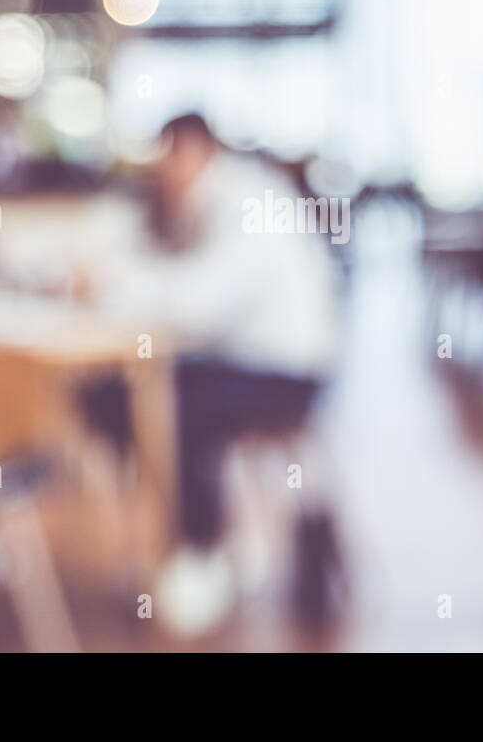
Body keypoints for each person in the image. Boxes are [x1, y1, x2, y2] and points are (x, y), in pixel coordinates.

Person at [81, 113, 342, 635]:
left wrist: (114, 281)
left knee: (173, 402)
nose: (162, 175)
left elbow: (200, 304)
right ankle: (179, 542)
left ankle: (201, 551)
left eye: (168, 160)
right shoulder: (225, 196)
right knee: (111, 396)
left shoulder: (245, 202)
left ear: (196, 151)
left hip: (284, 372)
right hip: (252, 359)